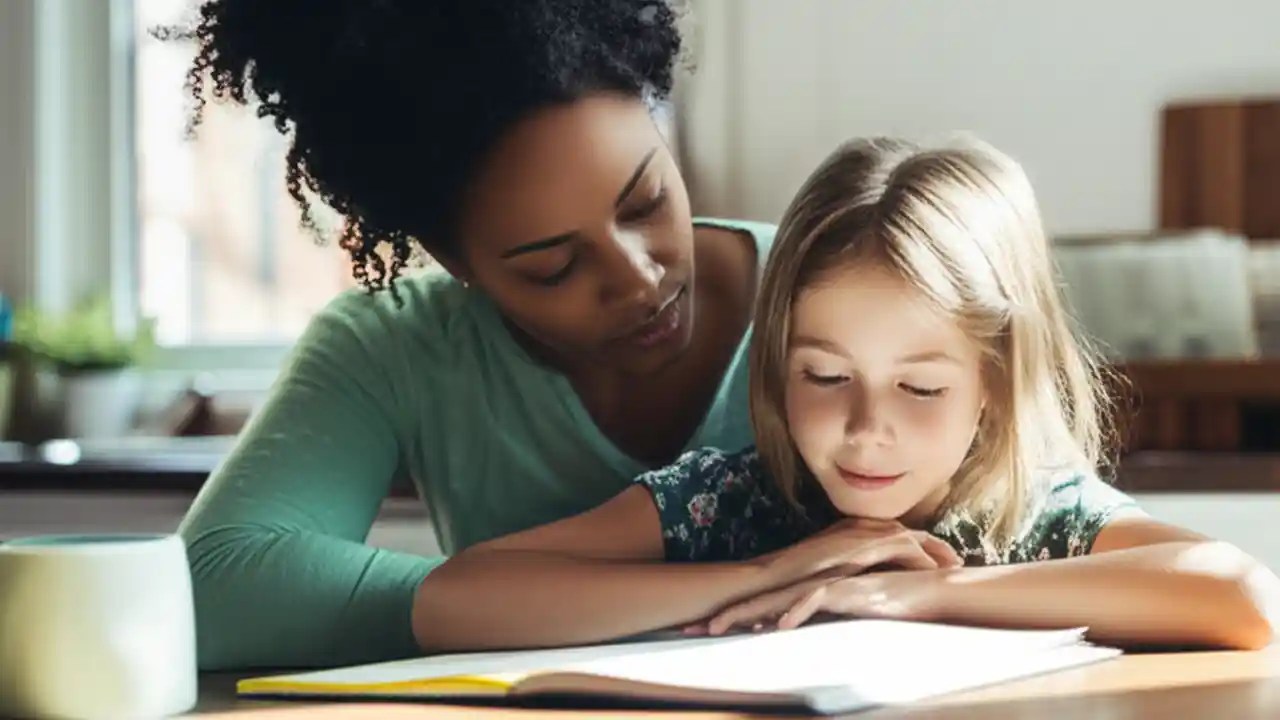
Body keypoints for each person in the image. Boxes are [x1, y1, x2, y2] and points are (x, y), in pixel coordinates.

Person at [418, 136, 1280, 653]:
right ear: (776, 361)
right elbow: (457, 599)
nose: (867, 432)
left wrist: (925, 593)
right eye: (825, 376)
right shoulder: (735, 500)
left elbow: (1244, 595)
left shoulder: (1031, 513)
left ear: (992, 381)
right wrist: (768, 572)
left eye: (921, 386)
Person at [173, 0, 771, 669]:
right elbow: (215, 587)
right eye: (554, 266)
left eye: (647, 201)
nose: (637, 279)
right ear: (456, 261)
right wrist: (751, 582)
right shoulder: (395, 349)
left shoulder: (845, 287)